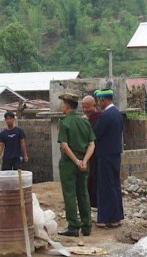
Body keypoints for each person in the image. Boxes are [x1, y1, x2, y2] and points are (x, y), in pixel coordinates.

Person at [56, 92, 96, 238]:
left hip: (69, 164)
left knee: (70, 194)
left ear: (67, 106)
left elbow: (64, 145)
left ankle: (73, 226)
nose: (61, 106)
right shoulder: (84, 122)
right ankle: (86, 226)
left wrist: (76, 161)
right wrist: (84, 161)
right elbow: (91, 144)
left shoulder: (64, 122)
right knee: (83, 193)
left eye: (62, 104)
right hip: (84, 164)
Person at [93, 89, 124, 228]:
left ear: (104, 100)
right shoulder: (117, 113)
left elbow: (96, 133)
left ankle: (108, 219)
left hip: (105, 155)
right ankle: (117, 217)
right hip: (115, 154)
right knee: (115, 185)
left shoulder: (105, 116)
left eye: (99, 100)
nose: (98, 103)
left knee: (106, 186)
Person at [81, 95, 102, 208]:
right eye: (83, 107)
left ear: (94, 106)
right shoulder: (84, 119)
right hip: (88, 155)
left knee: (96, 179)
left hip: (98, 154)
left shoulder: (99, 118)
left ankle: (97, 203)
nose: (85, 110)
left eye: (87, 107)